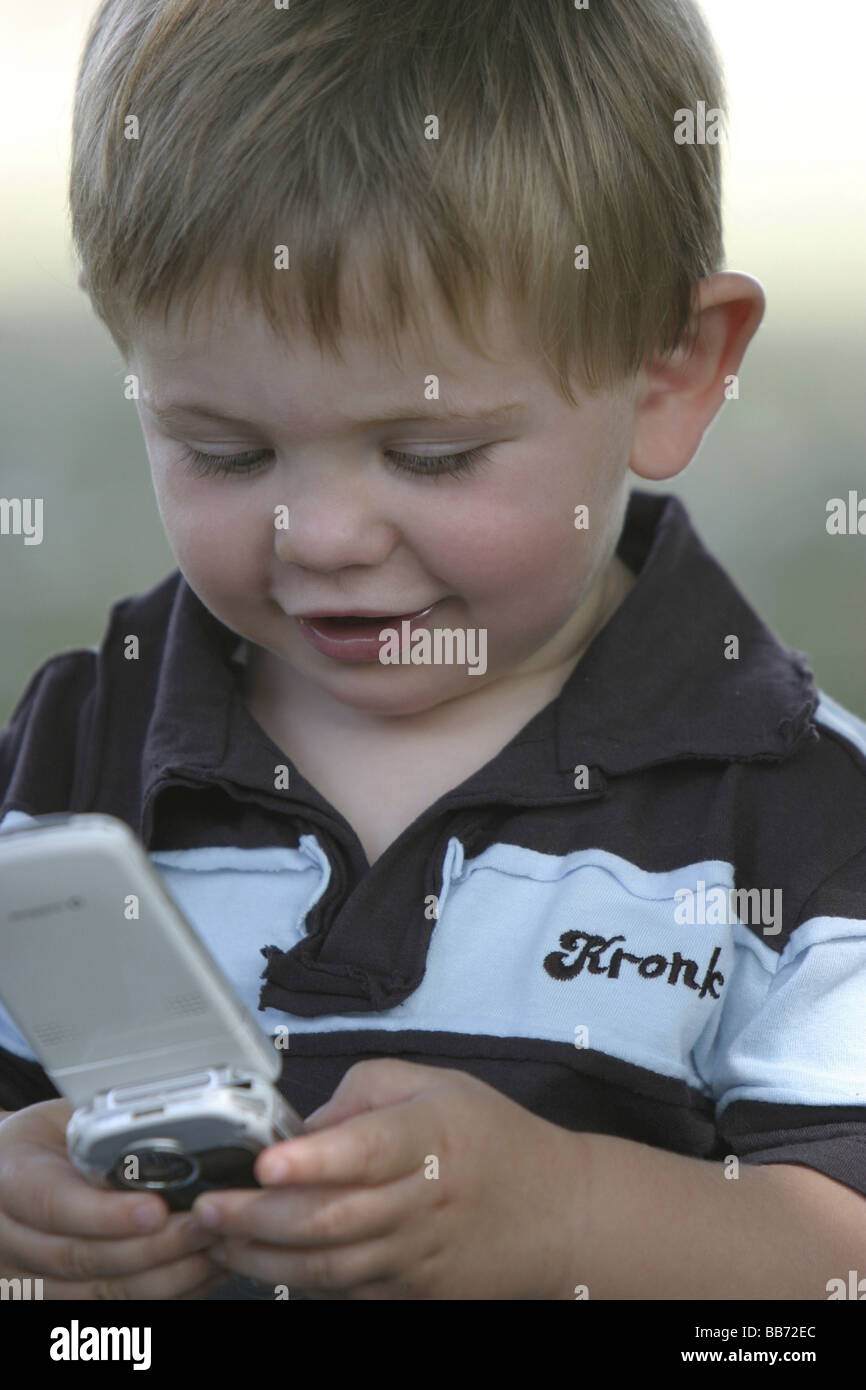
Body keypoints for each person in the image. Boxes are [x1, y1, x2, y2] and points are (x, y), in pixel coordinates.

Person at [0, 0, 863, 1301]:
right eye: (224, 449)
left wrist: (566, 1217)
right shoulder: (69, 762)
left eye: (430, 454)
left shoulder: (797, 818)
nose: (325, 534)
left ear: (671, 370)